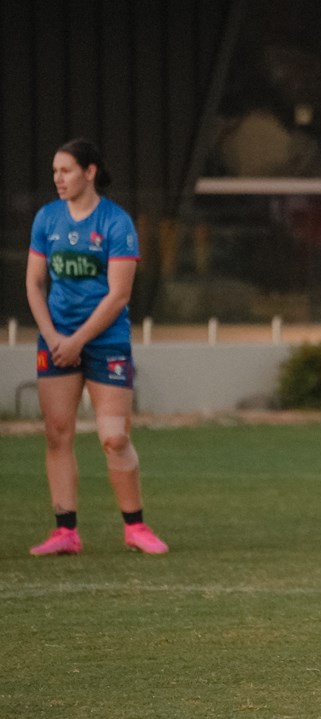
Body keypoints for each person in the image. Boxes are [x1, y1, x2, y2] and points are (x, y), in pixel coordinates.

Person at [25, 138, 168, 556]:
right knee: (57, 433)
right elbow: (34, 283)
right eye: (55, 171)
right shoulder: (47, 218)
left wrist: (78, 340)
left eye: (66, 170)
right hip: (56, 341)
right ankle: (65, 532)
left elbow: (119, 295)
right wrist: (54, 337)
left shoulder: (116, 223)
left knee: (114, 437)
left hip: (105, 342)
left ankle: (135, 527)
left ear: (90, 172)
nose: (58, 178)